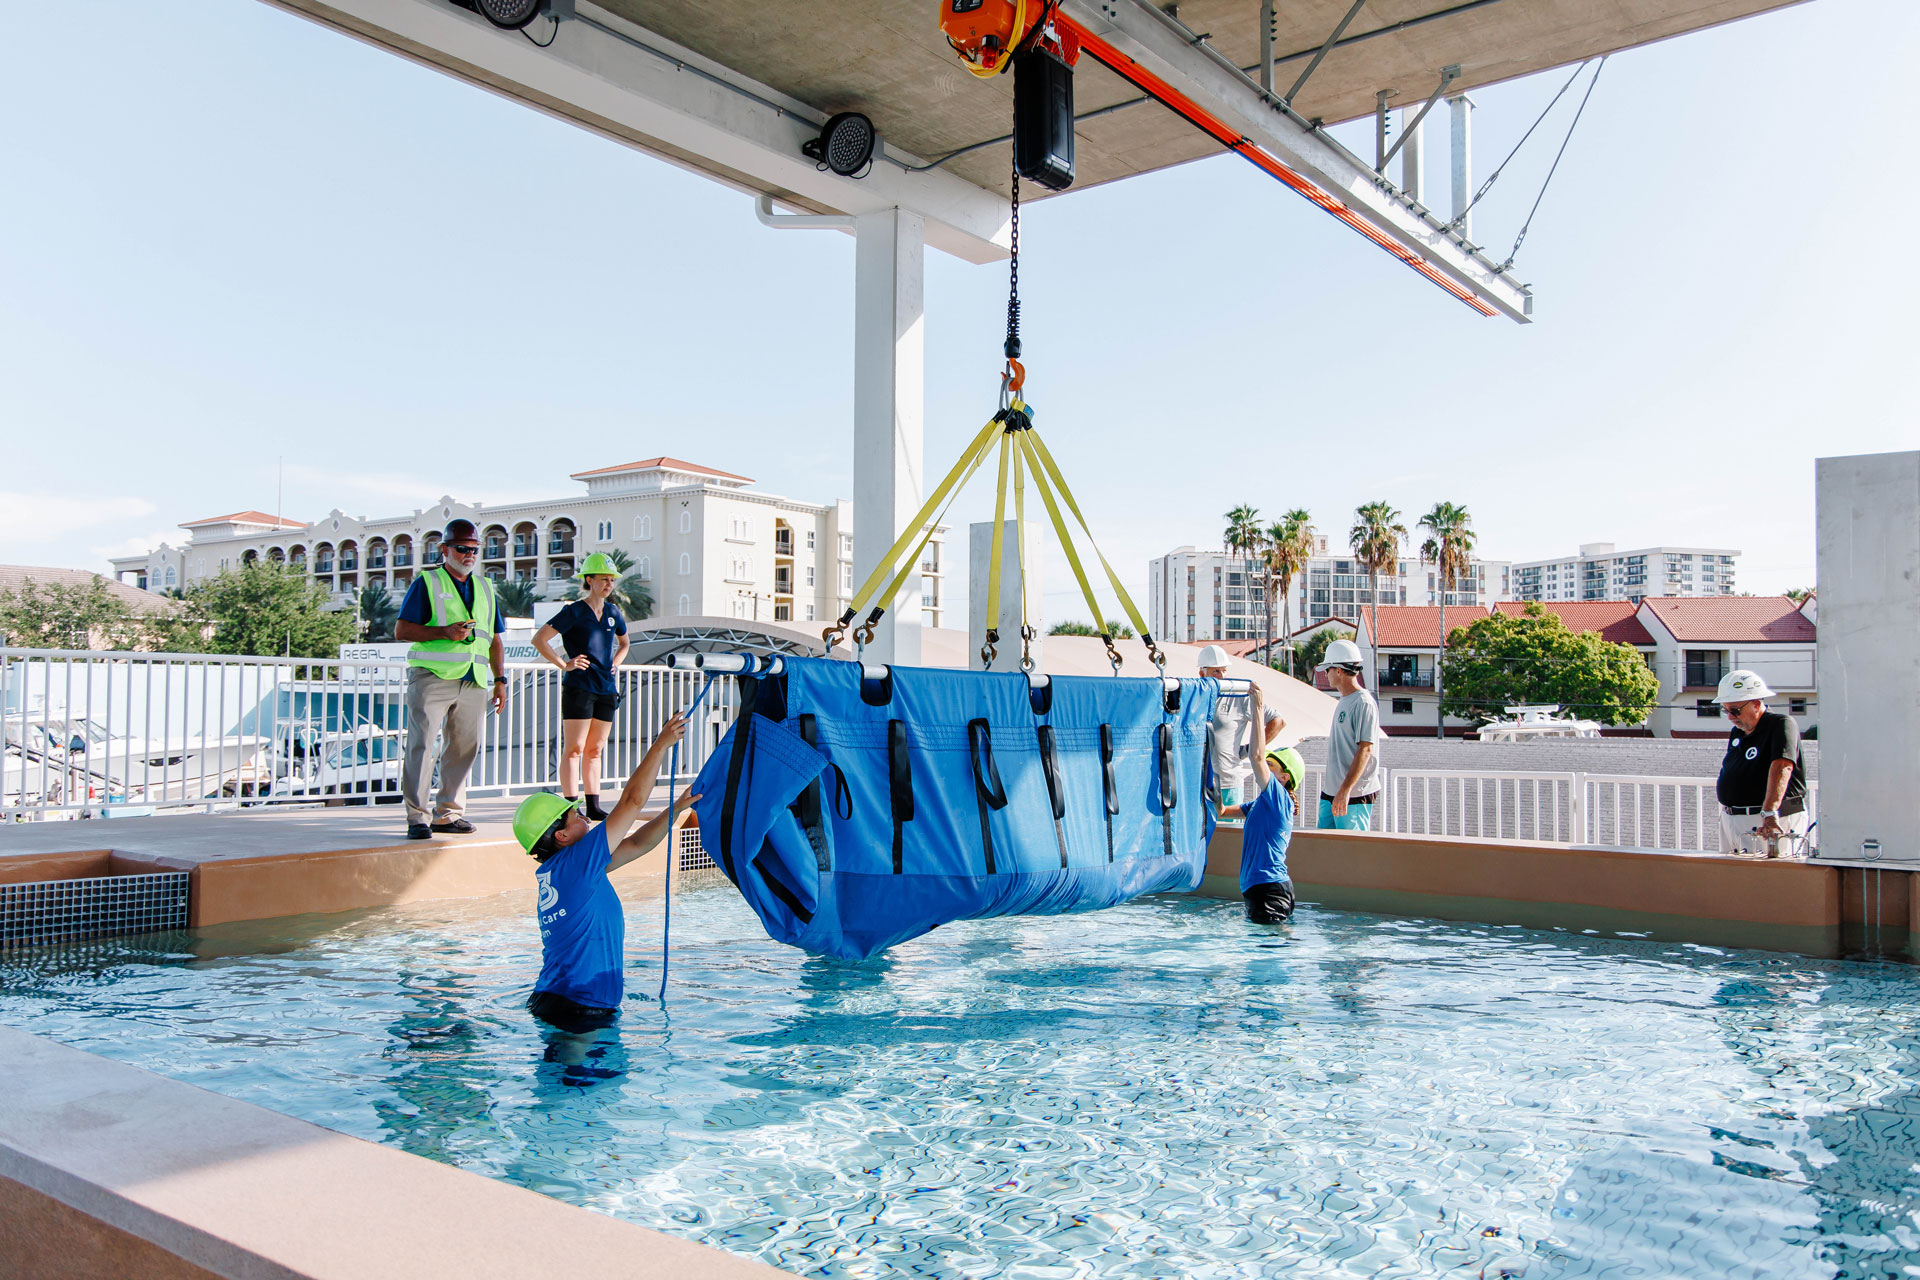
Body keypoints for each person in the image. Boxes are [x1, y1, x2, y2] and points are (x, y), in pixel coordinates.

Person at [513, 711, 697, 1033]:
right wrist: (660, 745)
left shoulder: (568, 871)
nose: (584, 817)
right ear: (562, 836)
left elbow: (638, 843)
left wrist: (677, 809)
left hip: (567, 1001)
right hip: (578, 1008)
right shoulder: (578, 862)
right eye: (576, 815)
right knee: (579, 1084)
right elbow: (631, 801)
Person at [394, 519, 505, 840]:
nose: (469, 554)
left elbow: (495, 639)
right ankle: (417, 817)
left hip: (473, 679)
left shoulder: (485, 587)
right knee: (423, 746)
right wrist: (444, 632)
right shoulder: (427, 582)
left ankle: (448, 814)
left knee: (464, 748)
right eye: (461, 548)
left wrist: (501, 680)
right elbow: (402, 631)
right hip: (432, 676)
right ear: (445, 550)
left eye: (473, 549)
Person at [532, 553, 631, 820]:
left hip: (606, 688)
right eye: (603, 579)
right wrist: (564, 664)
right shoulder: (574, 611)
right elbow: (540, 639)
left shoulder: (613, 612)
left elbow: (625, 643)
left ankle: (594, 804)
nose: (608, 584)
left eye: (611, 580)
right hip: (579, 686)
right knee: (574, 747)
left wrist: (616, 663)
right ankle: (570, 806)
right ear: (589, 580)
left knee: (595, 749)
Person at [1713, 670, 1810, 857]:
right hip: (1733, 819)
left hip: (1767, 820)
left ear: (1756, 704)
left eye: (1735, 710)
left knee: (1769, 879)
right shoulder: (1738, 732)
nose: (1730, 717)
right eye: (1726, 710)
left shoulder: (1781, 724)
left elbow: (1783, 766)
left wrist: (1769, 812)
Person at [1230, 680, 1302, 923]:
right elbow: (1221, 809)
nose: (1266, 769)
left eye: (1272, 767)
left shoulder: (1279, 798)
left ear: (1284, 777)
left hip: (1269, 889)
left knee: (1270, 951)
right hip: (1265, 889)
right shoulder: (1262, 805)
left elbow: (1256, 755)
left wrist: (1258, 706)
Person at [1197, 643, 1283, 821]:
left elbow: (1277, 721)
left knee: (1228, 841)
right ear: (1201, 673)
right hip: (1200, 785)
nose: (1222, 676)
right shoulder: (1195, 699)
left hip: (1229, 785)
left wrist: (1247, 751)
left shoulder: (1238, 698)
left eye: (1223, 670)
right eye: (1216, 671)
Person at [1316, 637, 1383, 831]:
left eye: (1327, 669)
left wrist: (1345, 790)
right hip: (1331, 793)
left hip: (1352, 796)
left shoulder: (1363, 703)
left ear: (1338, 670)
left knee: (1350, 854)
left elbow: (1365, 749)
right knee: (1322, 850)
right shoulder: (1344, 700)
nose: (1326, 675)